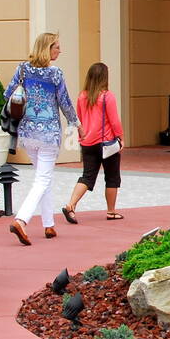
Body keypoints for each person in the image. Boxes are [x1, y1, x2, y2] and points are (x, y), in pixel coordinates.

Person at [5, 33, 79, 245]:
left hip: (28, 132)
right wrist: (76, 123)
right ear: (47, 48)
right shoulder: (55, 74)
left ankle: (49, 224)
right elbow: (64, 102)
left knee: (44, 177)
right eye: (57, 47)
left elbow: (8, 93)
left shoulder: (22, 69)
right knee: (43, 179)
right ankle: (22, 220)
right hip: (48, 133)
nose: (59, 51)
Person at [62, 62, 124, 223]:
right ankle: (111, 211)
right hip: (107, 144)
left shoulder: (82, 96)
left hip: (87, 142)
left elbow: (79, 119)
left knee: (88, 176)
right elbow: (114, 120)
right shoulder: (107, 96)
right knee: (112, 177)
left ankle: (71, 205)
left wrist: (81, 137)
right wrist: (120, 137)